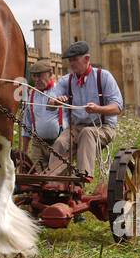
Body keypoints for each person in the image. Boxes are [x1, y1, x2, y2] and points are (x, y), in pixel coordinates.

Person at [47, 41, 123, 179]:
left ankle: (83, 178)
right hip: (76, 128)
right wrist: (55, 101)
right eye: (70, 60)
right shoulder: (66, 80)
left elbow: (117, 107)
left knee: (87, 133)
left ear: (87, 59)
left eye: (75, 60)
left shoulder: (104, 77)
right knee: (60, 143)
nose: (71, 64)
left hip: (103, 127)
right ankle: (54, 181)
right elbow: (50, 101)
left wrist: (98, 109)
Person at [19, 59, 63, 171]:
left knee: (57, 178)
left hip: (58, 144)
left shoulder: (60, 91)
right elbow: (27, 123)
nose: (36, 80)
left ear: (51, 74)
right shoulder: (31, 94)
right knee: (36, 178)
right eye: (34, 76)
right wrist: (24, 151)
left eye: (40, 76)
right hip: (38, 144)